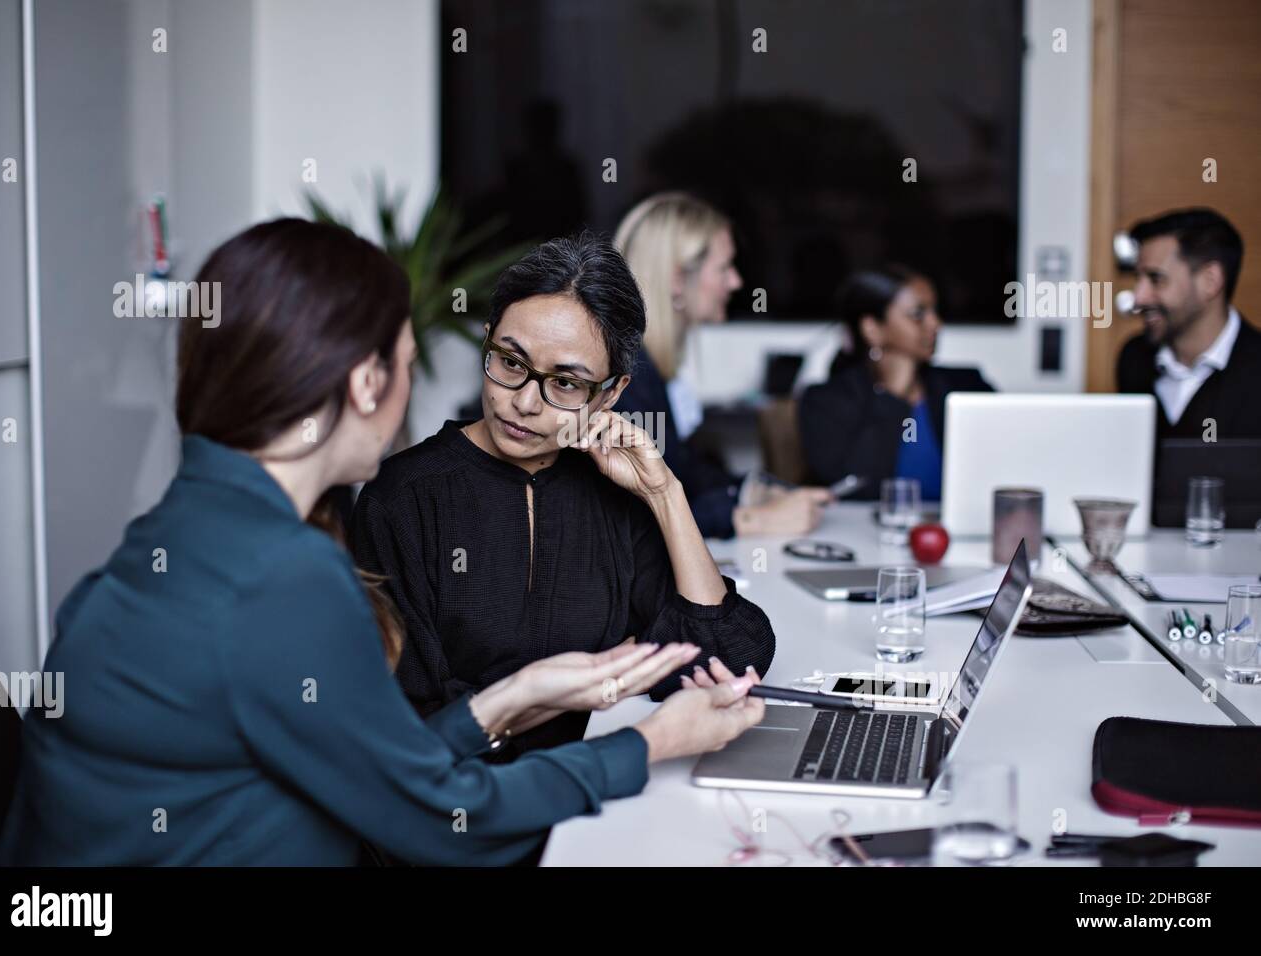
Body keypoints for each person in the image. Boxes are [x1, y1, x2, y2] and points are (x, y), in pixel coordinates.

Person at [0, 219, 764, 867]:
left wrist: (509, 698)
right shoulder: (286, 576)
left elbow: (372, 762)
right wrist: (651, 745)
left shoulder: (185, 533)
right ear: (367, 384)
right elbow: (442, 820)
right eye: (404, 359)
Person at [349, 230, 777, 754]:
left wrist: (665, 492)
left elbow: (728, 658)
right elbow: (414, 732)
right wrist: (593, 682)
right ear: (488, 341)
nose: (525, 403)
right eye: (510, 363)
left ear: (612, 393)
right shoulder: (403, 498)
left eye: (566, 383)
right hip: (466, 815)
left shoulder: (610, 489)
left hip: (598, 803)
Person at [612, 193, 833, 538]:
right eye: (724, 268)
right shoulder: (627, 376)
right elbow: (639, 514)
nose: (736, 282)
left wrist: (752, 490)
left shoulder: (651, 367)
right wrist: (750, 520)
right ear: (676, 279)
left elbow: (683, 474)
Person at [798, 266, 994, 500]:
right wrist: (892, 393)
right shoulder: (825, 402)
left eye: (934, 311)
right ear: (872, 328)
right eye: (918, 314)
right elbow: (855, 490)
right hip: (863, 533)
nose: (936, 323)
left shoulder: (968, 385)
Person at [1116, 207, 1260, 439]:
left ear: (1210, 281)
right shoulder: (1134, 359)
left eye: (1156, 279)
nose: (1139, 297)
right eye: (1138, 279)